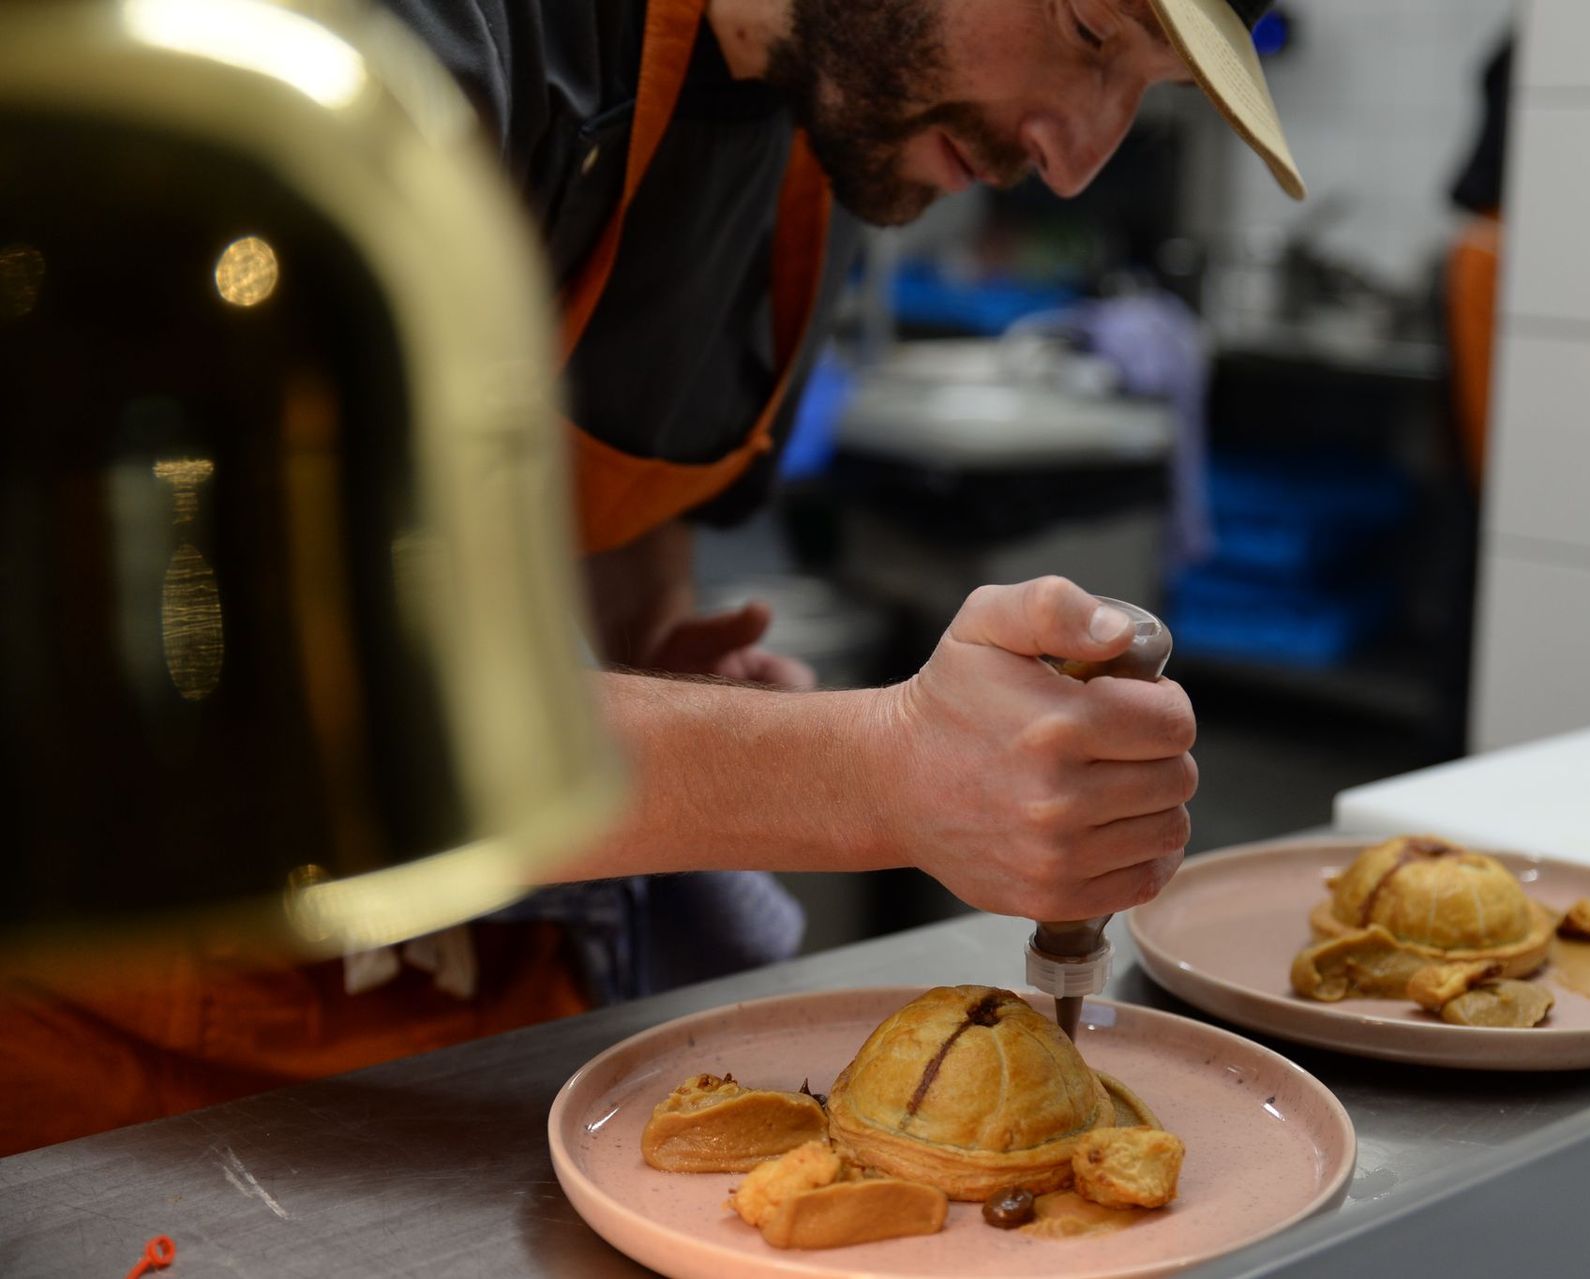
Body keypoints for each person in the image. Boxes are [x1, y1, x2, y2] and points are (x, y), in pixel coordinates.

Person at [0, 0, 1305, 1154]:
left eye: (1147, 91)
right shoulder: (368, 60)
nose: (1077, 161)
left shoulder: (824, 151)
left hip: (511, 1038)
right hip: (134, 1075)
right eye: (1088, 32)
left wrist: (676, 704)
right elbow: (226, 701)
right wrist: (879, 767)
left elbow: (623, 549)